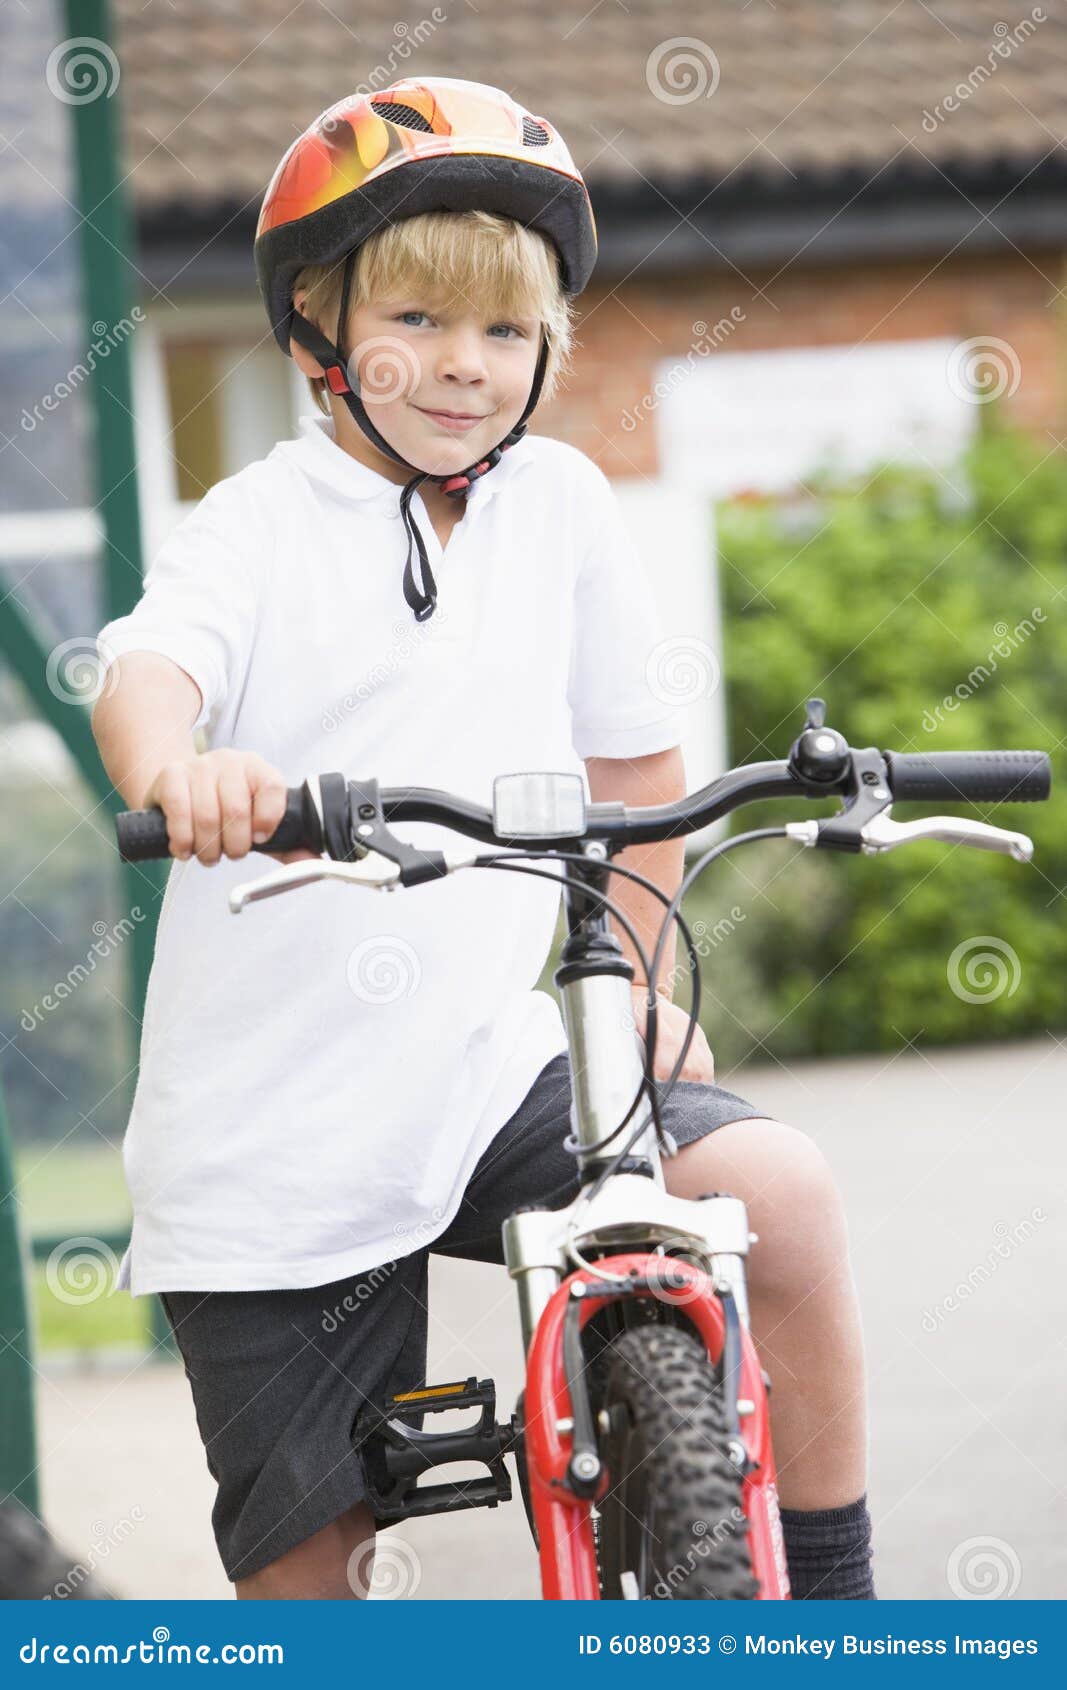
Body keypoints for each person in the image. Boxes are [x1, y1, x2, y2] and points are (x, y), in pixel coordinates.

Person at [91, 77, 874, 1602]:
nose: (466, 366)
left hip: (484, 1069)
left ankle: (835, 1609)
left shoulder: (562, 508)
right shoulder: (256, 526)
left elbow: (639, 766)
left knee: (783, 1197)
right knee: (315, 1578)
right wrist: (180, 769)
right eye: (421, 322)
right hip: (275, 1138)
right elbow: (148, 667)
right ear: (320, 330)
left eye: (506, 332)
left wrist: (644, 974)